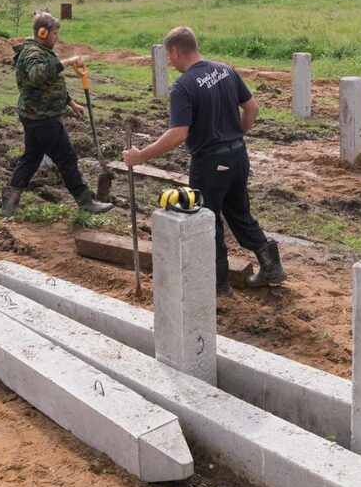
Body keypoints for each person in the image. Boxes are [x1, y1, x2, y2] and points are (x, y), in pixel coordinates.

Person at [121, 25, 285, 297]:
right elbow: (252, 108)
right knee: (239, 211)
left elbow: (177, 134)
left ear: (175, 52)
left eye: (168, 56)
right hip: (238, 155)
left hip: (210, 164)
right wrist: (238, 132)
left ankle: (218, 285)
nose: (169, 62)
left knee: (208, 221)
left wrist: (141, 156)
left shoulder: (183, 86)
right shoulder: (226, 70)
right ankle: (271, 265)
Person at [2, 11, 114, 217]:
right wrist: (68, 61)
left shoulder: (40, 50)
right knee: (67, 157)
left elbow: (50, 85)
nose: (57, 37)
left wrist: (71, 103)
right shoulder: (32, 54)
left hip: (35, 115)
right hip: (43, 118)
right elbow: (38, 76)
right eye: (54, 33)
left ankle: (9, 203)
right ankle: (85, 202)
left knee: (31, 157)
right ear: (42, 32)